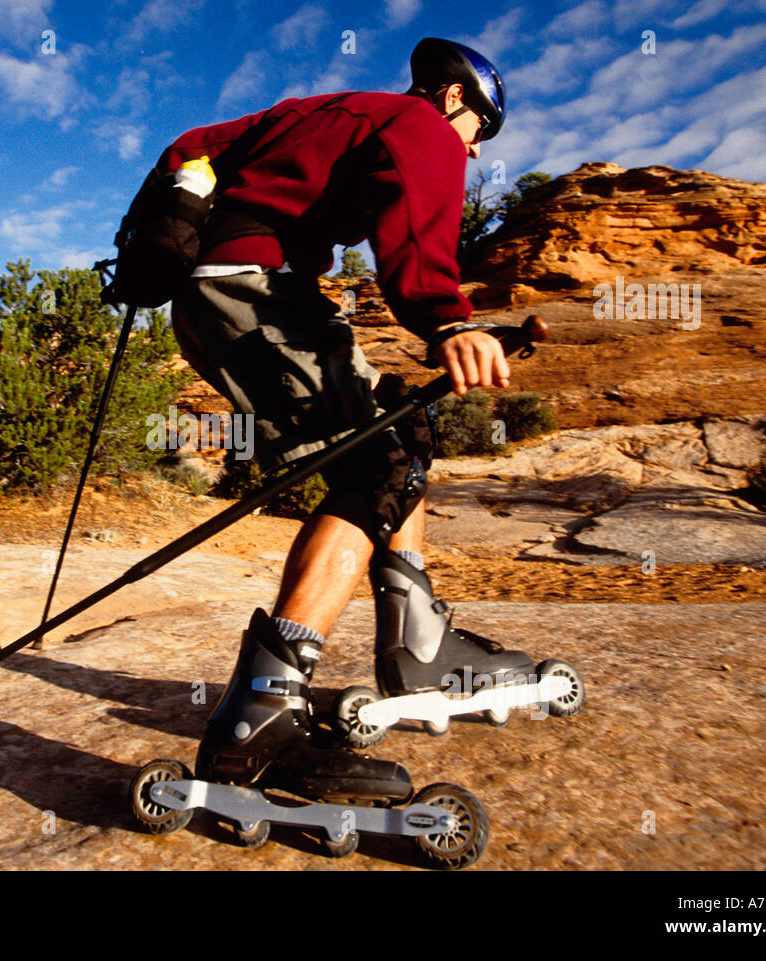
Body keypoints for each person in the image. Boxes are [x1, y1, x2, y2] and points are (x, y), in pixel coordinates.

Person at [165, 38, 529, 803]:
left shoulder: (321, 111)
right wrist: (447, 322)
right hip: (254, 289)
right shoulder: (422, 123)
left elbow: (190, 146)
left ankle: (417, 642)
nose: (472, 145)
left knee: (399, 433)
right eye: (480, 129)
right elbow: (418, 230)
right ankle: (257, 718)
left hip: (216, 293)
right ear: (457, 98)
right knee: (377, 467)